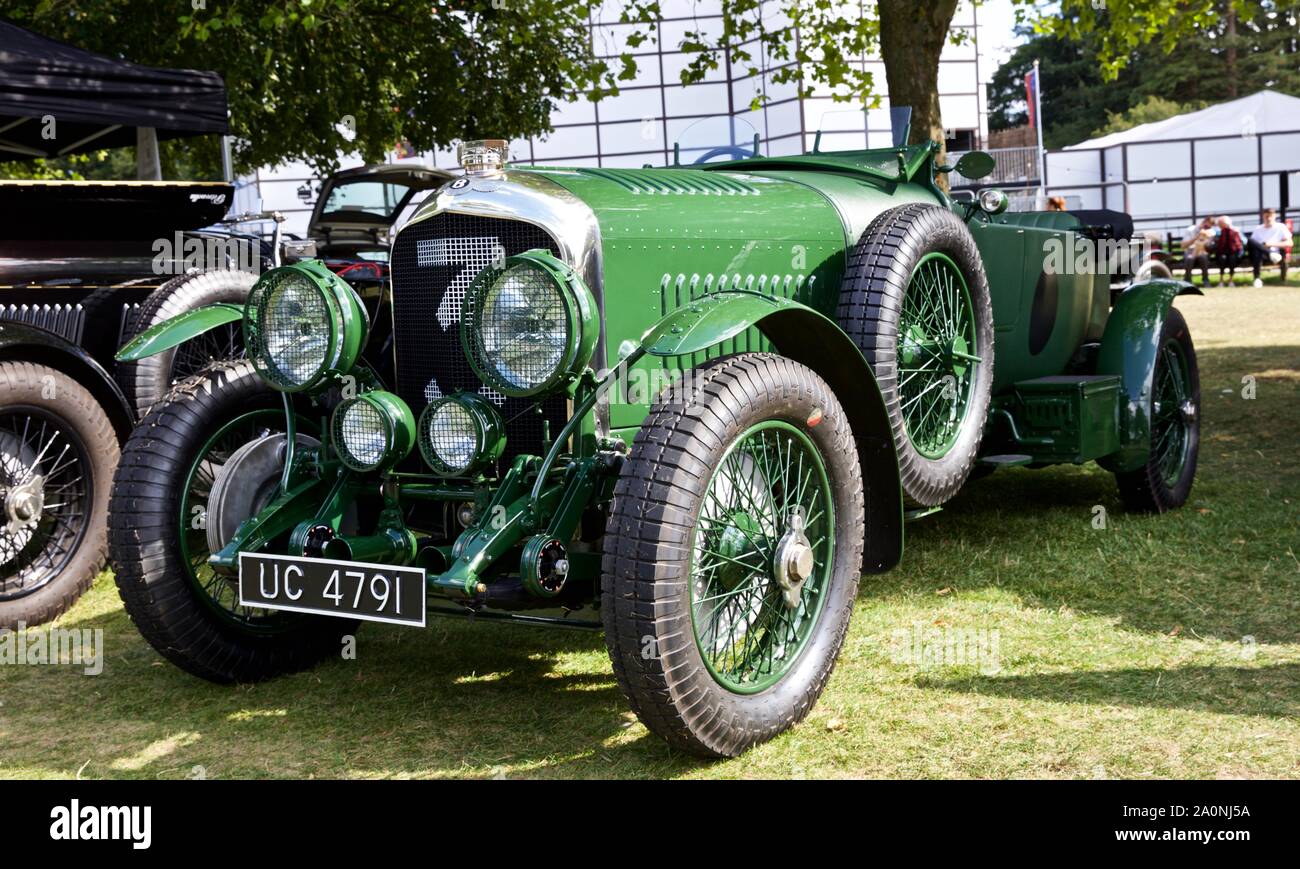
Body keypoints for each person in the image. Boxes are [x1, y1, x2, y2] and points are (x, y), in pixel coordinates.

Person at [1246, 208, 1293, 287]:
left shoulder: (1281, 227)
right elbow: (1252, 244)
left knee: (1258, 250)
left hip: (1275, 255)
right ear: (1263, 217)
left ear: (1275, 216)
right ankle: (1257, 278)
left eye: (1270, 216)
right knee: (1251, 241)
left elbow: (1290, 243)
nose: (1268, 218)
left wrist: (1270, 244)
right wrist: (1263, 247)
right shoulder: (1258, 228)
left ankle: (1257, 278)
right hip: (1260, 255)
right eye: (1266, 216)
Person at [1181, 217, 1215, 286]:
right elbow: (1183, 246)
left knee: (1203, 257)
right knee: (1189, 259)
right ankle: (1187, 281)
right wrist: (1196, 237)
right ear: (1203, 222)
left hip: (1202, 251)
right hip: (1190, 250)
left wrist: (1207, 241)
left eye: (1209, 227)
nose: (1207, 229)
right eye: (1206, 226)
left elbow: (1209, 247)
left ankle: (1205, 280)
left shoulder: (1211, 232)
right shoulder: (1190, 229)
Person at [1213, 215, 1244, 285]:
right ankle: (1221, 280)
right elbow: (1214, 243)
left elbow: (1244, 241)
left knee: (1232, 259)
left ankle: (1231, 280)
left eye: (1220, 224)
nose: (1219, 225)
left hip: (1234, 253)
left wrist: (1238, 234)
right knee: (1222, 258)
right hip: (1222, 253)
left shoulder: (1236, 230)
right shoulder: (1218, 232)